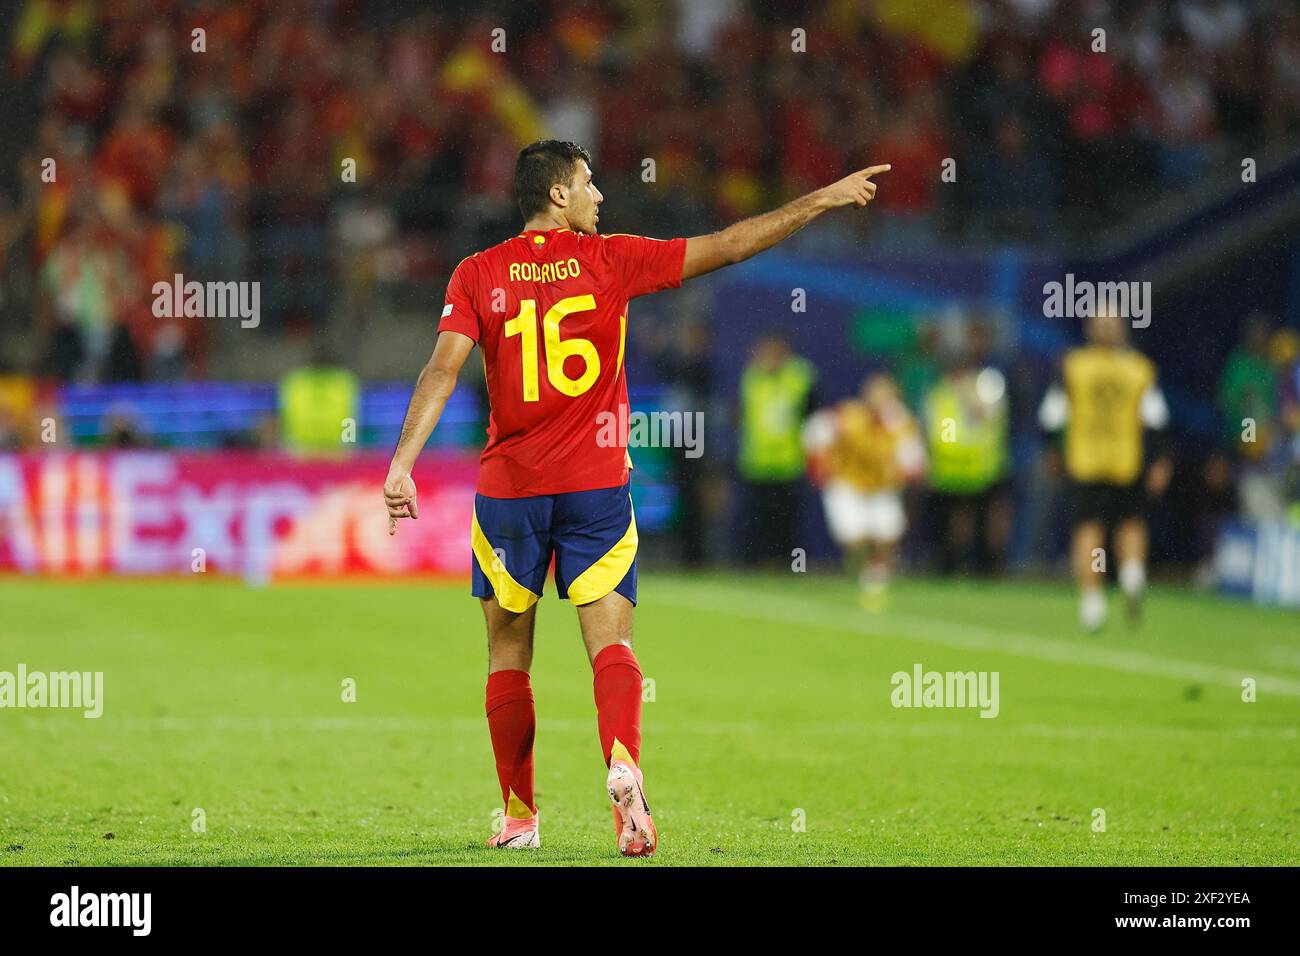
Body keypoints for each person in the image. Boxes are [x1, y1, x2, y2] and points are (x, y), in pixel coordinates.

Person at [382, 140, 889, 855]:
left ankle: (521, 818)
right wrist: (821, 200)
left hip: (510, 494)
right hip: (594, 487)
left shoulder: (476, 273)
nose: (599, 196)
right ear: (558, 195)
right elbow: (734, 243)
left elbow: (441, 369)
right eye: (589, 183)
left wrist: (403, 461)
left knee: (506, 655)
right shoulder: (611, 259)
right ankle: (623, 764)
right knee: (611, 644)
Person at [1038, 309, 1172, 632]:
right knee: (1130, 523)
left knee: (1090, 530)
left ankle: (1093, 599)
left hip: (1086, 461)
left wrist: (1053, 453)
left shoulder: (1074, 367)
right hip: (1126, 460)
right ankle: (1131, 573)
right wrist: (1160, 461)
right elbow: (1157, 421)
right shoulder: (1139, 369)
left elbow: (1051, 418)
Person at [804, 372, 925, 609]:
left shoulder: (901, 423)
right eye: (877, 393)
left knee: (888, 534)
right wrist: (818, 464)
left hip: (881, 487)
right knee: (855, 537)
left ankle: (875, 580)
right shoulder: (848, 415)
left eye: (887, 394)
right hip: (848, 484)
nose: (881, 399)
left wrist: (909, 470)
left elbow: (914, 459)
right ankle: (861, 570)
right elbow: (815, 430)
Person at [738, 332, 817, 566]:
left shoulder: (800, 377)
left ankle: (789, 566)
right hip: (757, 462)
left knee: (788, 523)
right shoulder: (752, 377)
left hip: (789, 462)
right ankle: (756, 567)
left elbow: (814, 417)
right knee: (758, 522)